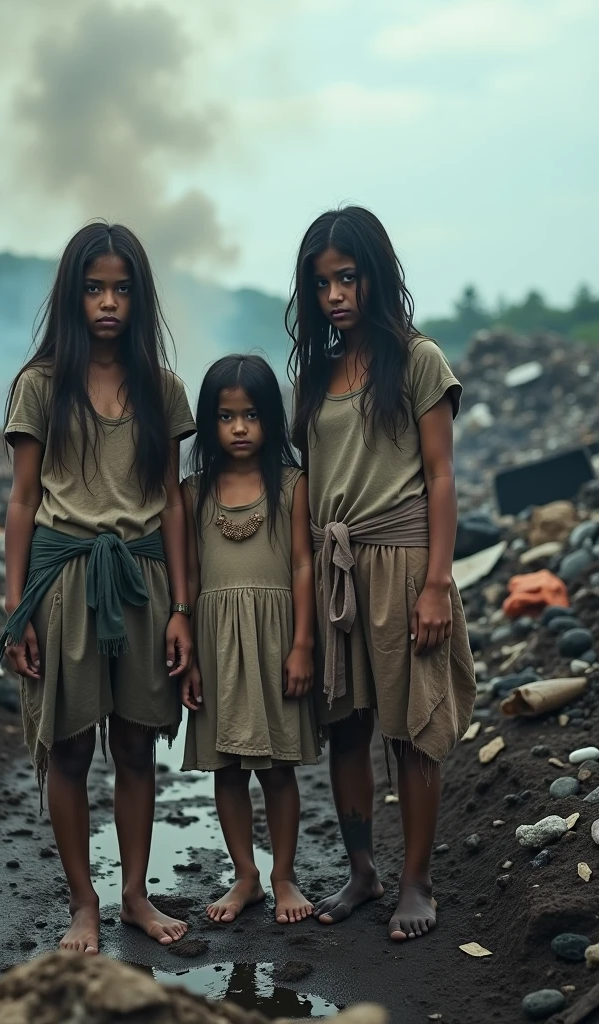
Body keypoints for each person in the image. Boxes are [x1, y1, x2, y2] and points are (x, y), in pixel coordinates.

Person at [0, 222, 196, 953]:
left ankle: (135, 894)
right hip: (64, 579)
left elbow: (171, 499)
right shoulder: (40, 386)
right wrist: (17, 612)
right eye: (94, 288)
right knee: (71, 751)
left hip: (140, 581)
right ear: (73, 297)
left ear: (139, 298)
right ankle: (85, 903)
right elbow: (20, 502)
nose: (108, 302)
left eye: (122, 289)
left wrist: (181, 608)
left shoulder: (162, 389)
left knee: (138, 746)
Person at [287, 206, 476, 942]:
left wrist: (436, 584)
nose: (336, 294)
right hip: (337, 568)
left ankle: (416, 882)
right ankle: (363, 872)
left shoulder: (419, 360)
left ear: (376, 276)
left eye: (348, 276)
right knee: (346, 728)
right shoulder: (317, 371)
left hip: (401, 563)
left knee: (412, 731)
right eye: (323, 281)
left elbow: (441, 477)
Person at [181, 355, 319, 925]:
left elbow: (305, 567)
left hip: (274, 642)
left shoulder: (291, 484)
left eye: (253, 415)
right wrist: (188, 648)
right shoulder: (194, 492)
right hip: (216, 645)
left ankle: (284, 875)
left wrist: (303, 644)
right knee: (227, 768)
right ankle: (246, 875)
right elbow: (186, 576)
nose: (239, 428)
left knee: (278, 767)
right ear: (209, 423)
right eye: (226, 416)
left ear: (273, 421)